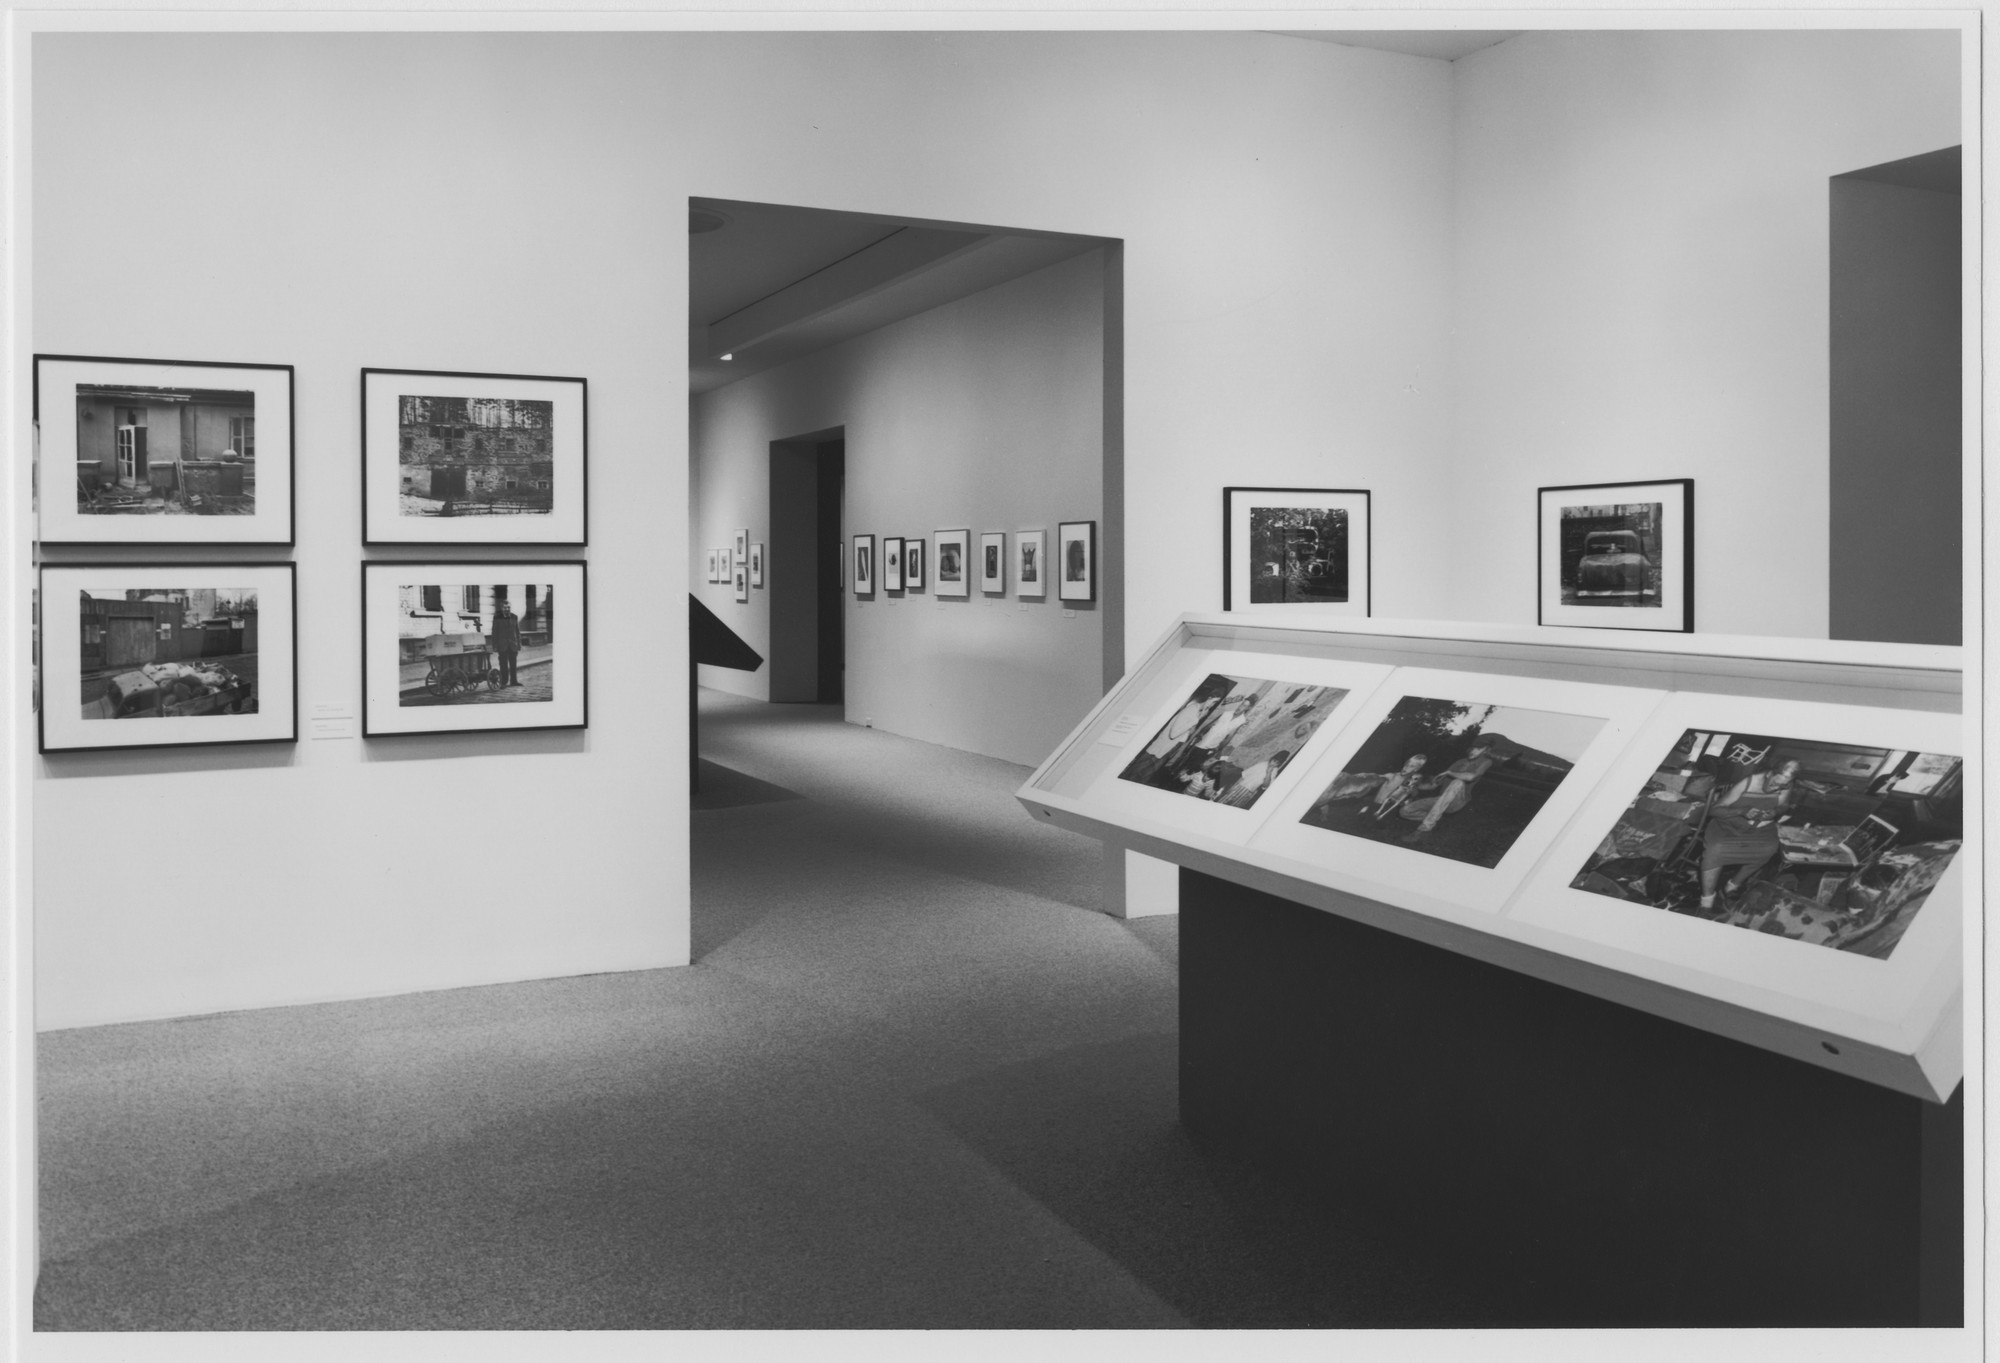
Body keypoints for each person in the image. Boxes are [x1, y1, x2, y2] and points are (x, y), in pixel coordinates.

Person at [1698, 758, 1801, 912]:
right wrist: (1742, 811)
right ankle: (1706, 901)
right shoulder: (1748, 783)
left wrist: (1775, 811)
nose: (1777, 788)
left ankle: (1732, 886)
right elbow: (1714, 810)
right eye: (1775, 784)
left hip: (1759, 826)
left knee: (1769, 847)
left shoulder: (1786, 783)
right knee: (1716, 850)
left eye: (1783, 785)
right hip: (1727, 825)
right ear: (1769, 774)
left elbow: (1783, 806)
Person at [1400, 740, 1496, 842]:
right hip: (1441, 800)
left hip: (1458, 801)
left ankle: (1423, 830)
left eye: (1478, 749)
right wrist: (1414, 785)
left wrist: (1449, 772)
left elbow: (1471, 777)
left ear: (1485, 750)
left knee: (1457, 782)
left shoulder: (1486, 762)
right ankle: (1433, 817)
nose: (1473, 751)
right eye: (1472, 748)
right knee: (1404, 811)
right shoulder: (1459, 762)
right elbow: (1432, 786)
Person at [489, 599, 522, 688]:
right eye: (505, 607)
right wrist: (495, 645)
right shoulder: (497, 617)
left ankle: (514, 681)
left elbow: (517, 631)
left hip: (513, 645)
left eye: (508, 607)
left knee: (513, 664)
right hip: (502, 645)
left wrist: (519, 644)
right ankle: (504, 682)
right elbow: (494, 632)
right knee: (503, 665)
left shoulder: (514, 617)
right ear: (502, 608)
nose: (507, 609)